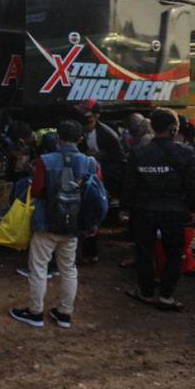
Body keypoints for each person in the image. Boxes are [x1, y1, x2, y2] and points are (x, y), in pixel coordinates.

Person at [10, 120, 101, 329]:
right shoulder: (90, 163)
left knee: (39, 269)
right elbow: (94, 195)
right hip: (73, 226)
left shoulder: (45, 160)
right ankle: (64, 314)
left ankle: (35, 313)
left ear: (58, 138)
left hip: (45, 224)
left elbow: (37, 191)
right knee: (69, 269)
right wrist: (92, 222)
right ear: (80, 139)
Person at [120, 108, 195, 312]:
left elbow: (129, 183)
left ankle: (146, 292)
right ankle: (166, 296)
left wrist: (124, 208)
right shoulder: (186, 152)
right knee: (174, 252)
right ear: (173, 130)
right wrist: (193, 209)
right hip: (174, 210)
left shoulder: (139, 151)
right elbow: (191, 185)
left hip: (143, 209)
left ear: (153, 127)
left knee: (144, 251)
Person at [73, 98, 125, 265]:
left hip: (101, 183)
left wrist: (106, 188)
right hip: (83, 180)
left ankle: (91, 254)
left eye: (86, 117)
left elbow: (118, 163)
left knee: (92, 217)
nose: (82, 120)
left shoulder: (108, 136)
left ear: (95, 116)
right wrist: (87, 156)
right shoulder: (78, 131)